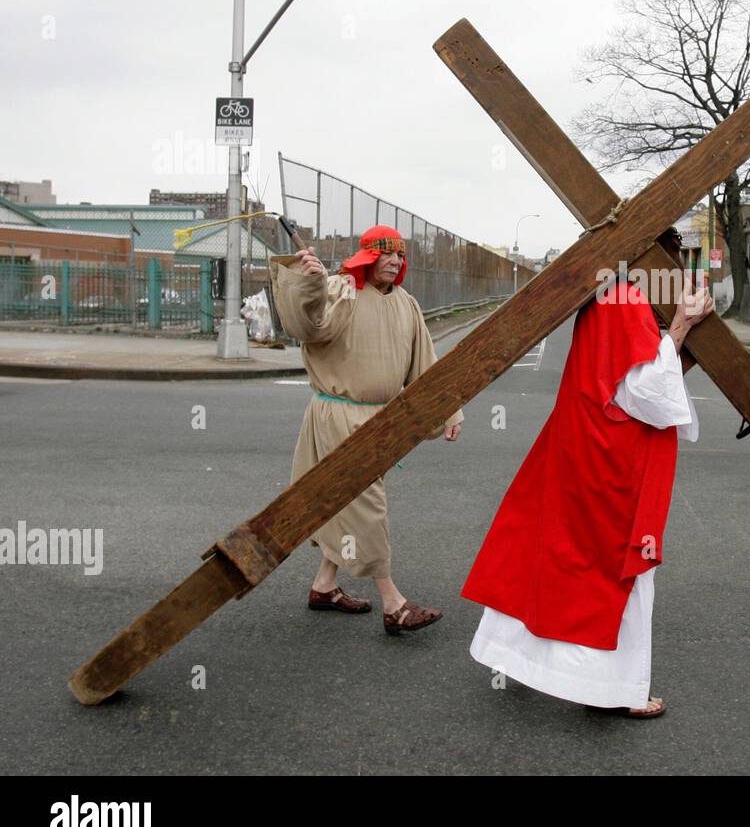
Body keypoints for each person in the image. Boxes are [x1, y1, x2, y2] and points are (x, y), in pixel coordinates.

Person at [462, 256, 712, 719]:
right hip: (613, 462)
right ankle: (610, 690)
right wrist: (681, 326)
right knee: (617, 575)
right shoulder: (627, 299)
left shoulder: (604, 293)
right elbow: (644, 392)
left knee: (547, 556)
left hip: (579, 445)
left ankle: (517, 658)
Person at [270, 224, 464, 634]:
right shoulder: (341, 291)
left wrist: (450, 411)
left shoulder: (407, 304)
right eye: (386, 254)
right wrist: (311, 283)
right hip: (339, 415)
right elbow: (310, 324)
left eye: (399, 255)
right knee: (366, 506)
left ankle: (324, 585)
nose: (395, 262)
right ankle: (393, 603)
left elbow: (424, 364)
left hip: (379, 420)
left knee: (339, 501)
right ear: (368, 257)